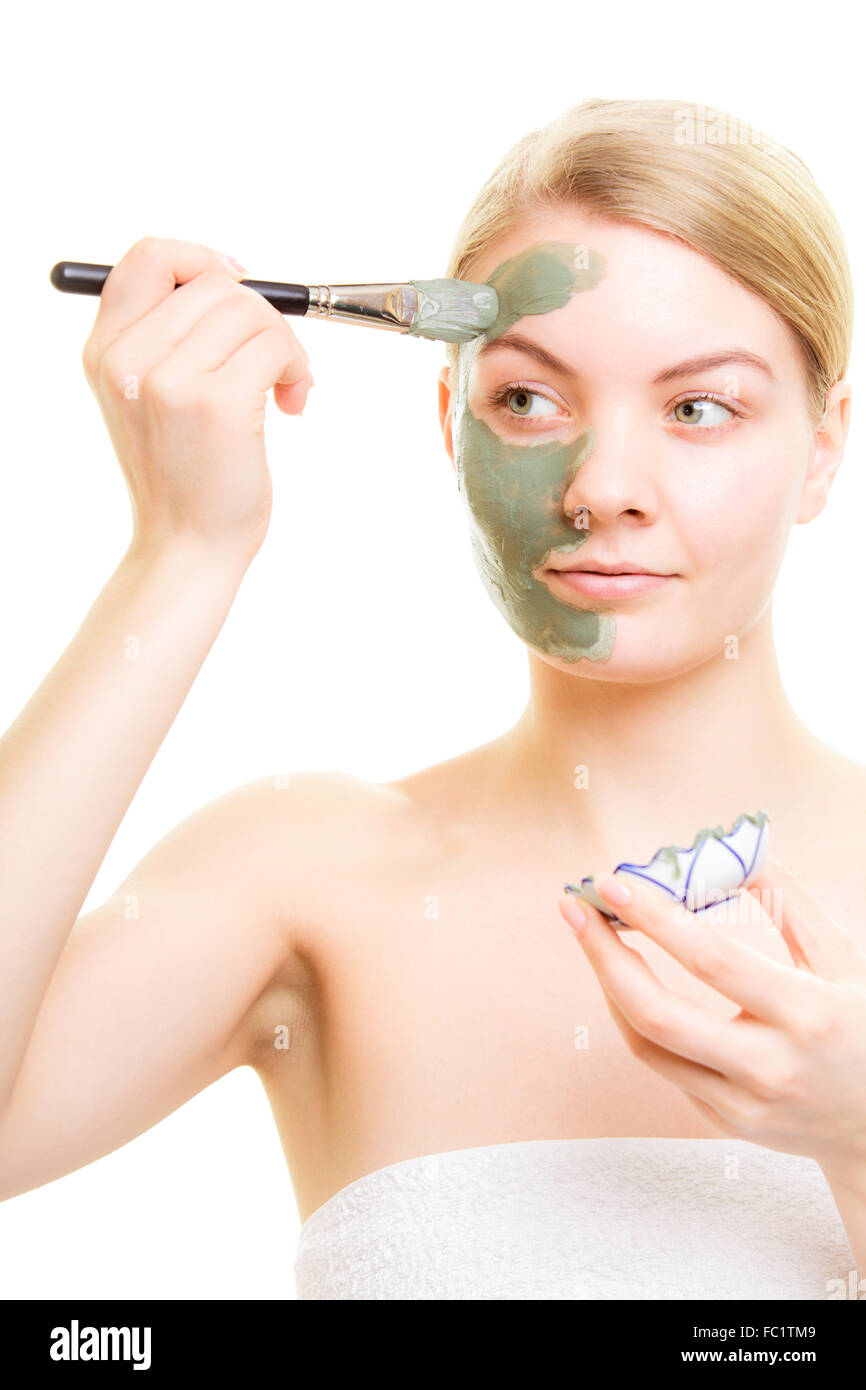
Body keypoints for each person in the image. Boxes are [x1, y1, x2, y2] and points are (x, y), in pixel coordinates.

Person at [1, 96, 865, 1300]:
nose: (602, 485)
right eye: (527, 399)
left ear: (822, 446)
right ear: (449, 423)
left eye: (696, 407)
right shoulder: (302, 875)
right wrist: (183, 549)